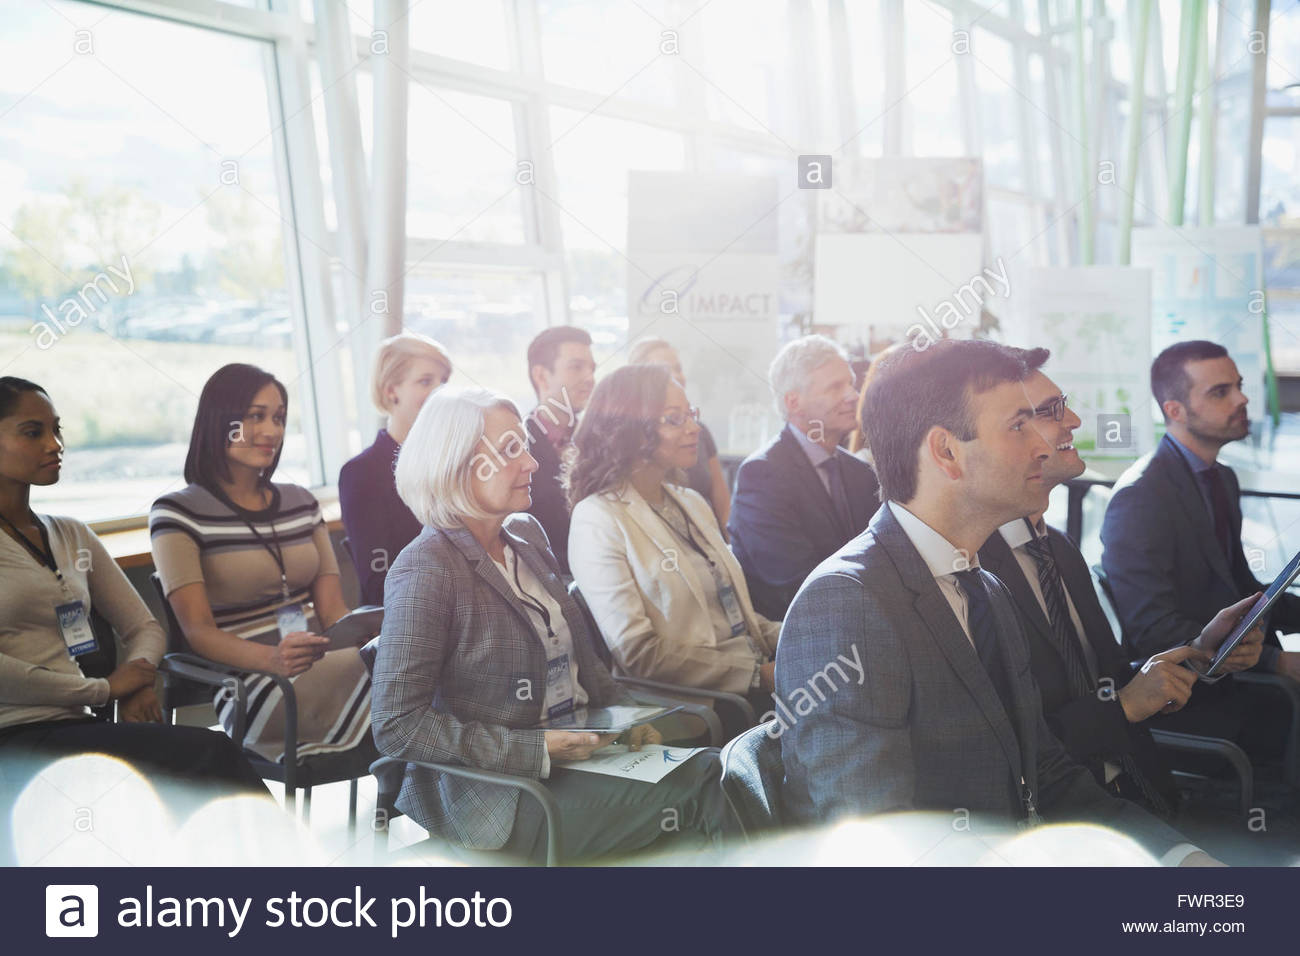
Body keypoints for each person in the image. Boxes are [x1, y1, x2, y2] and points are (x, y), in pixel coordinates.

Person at [776, 340, 1217, 865]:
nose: (1042, 447)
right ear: (946, 453)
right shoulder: (847, 602)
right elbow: (876, 847)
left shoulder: (985, 588)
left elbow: (1048, 777)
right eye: (1018, 427)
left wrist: (1177, 858)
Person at [368, 386, 736, 863]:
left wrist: (629, 721)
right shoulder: (426, 569)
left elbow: (587, 666)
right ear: (457, 463)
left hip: (588, 753)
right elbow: (397, 725)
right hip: (503, 793)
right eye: (510, 450)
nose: (532, 463)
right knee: (709, 785)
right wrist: (534, 748)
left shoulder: (524, 536)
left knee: (723, 772)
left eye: (524, 444)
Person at [976, 356, 1264, 813]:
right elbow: (1007, 748)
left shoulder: (1061, 550)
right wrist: (1124, 707)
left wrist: (1202, 650)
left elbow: (1105, 678)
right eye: (1051, 411)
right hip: (1066, 811)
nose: (1073, 420)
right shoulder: (974, 570)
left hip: (1133, 786)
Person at [0, 377, 266, 824]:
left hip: (77, 725)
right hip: (17, 735)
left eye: (57, 429)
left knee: (189, 774)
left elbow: (144, 627)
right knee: (206, 754)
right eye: (33, 432)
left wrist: (139, 679)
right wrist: (104, 689)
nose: (55, 444)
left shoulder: (70, 532)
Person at [150, 364, 373, 763]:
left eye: (279, 418)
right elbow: (197, 631)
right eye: (256, 416)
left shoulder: (302, 502)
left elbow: (333, 612)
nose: (271, 431)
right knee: (414, 692)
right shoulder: (176, 513)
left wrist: (370, 635)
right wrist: (273, 659)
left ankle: (415, 800)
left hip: (327, 665)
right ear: (221, 420)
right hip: (255, 686)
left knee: (411, 667)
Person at [1101, 340, 1298, 756]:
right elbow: (1153, 631)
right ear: (1175, 410)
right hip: (1192, 692)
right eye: (1220, 392)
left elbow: (1242, 589)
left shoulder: (1220, 478)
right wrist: (1274, 662)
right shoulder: (1141, 497)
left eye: (1239, 386)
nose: (1243, 399)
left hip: (1240, 675)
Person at [566, 365, 779, 723]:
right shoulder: (598, 519)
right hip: (700, 706)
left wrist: (803, 633)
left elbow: (735, 617)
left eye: (690, 415)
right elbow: (639, 654)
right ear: (631, 433)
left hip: (749, 683)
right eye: (674, 419)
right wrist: (758, 675)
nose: (694, 428)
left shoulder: (689, 501)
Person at [729, 335, 880, 619]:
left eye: (850, 383)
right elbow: (793, 580)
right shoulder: (761, 475)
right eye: (836, 387)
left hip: (860, 622)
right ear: (794, 402)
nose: (853, 395)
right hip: (799, 636)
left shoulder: (860, 473)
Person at [339, 331, 452, 605]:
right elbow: (380, 581)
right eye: (426, 381)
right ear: (391, 391)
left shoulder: (454, 461)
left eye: (444, 381)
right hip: (408, 620)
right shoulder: (362, 473)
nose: (440, 391)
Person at [627, 336, 732, 533]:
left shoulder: (700, 430)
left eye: (678, 368)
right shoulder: (635, 439)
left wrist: (727, 545)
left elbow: (721, 498)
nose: (677, 375)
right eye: (665, 370)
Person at [524, 326, 596, 575]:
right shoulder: (517, 446)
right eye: (577, 367)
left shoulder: (600, 441)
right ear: (542, 376)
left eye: (592, 368)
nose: (590, 378)